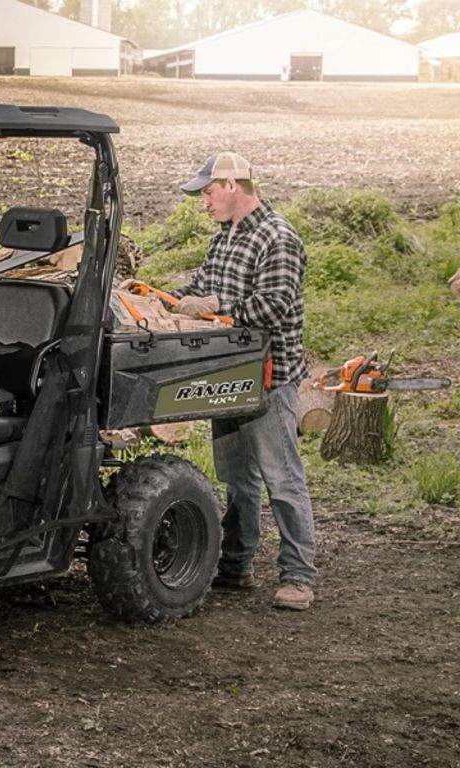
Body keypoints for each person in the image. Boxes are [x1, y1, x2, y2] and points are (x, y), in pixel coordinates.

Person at [169, 152, 317, 610]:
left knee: (282, 478)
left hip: (268, 377)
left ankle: (298, 575)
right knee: (237, 478)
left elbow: (272, 305)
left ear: (233, 184)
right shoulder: (225, 237)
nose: (204, 201)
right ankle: (236, 565)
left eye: (208, 192)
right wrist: (164, 299)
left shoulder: (278, 236)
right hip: (229, 374)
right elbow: (202, 285)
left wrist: (216, 308)